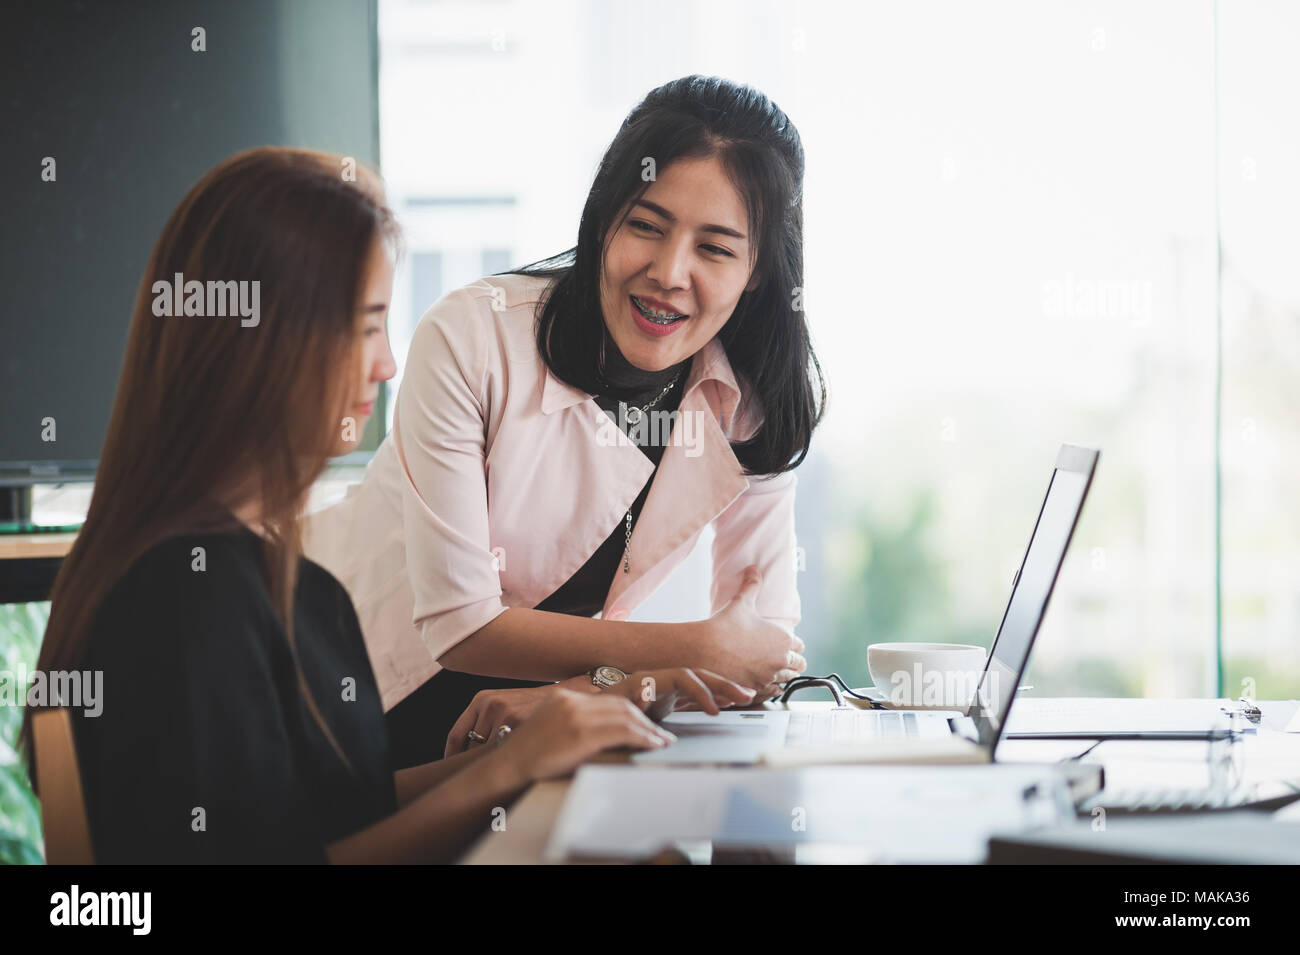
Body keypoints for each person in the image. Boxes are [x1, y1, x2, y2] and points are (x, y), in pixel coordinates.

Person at [21, 147, 754, 864]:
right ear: (269, 341)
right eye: (368, 323)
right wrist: (507, 769)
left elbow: (337, 813)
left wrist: (547, 743)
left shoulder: (261, 581)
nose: (388, 362)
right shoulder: (194, 595)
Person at [304, 75, 827, 769]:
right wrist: (695, 649)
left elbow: (759, 652)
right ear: (604, 216)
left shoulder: (748, 398)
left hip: (519, 730)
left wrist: (595, 689)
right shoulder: (473, 335)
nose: (669, 272)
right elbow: (463, 625)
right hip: (337, 695)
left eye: (716, 248)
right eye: (646, 224)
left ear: (758, 270)